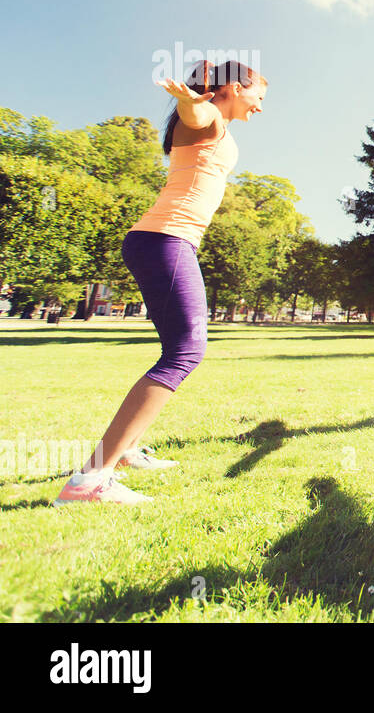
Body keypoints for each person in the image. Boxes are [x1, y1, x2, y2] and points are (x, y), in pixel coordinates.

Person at [56, 61, 268, 505]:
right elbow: (199, 115)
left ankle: (126, 450)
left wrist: (193, 103)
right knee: (185, 351)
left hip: (165, 242)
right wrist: (190, 103)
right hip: (165, 240)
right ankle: (90, 481)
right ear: (232, 88)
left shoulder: (216, 126)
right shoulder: (207, 120)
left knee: (177, 349)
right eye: (259, 97)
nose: (261, 108)